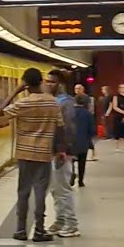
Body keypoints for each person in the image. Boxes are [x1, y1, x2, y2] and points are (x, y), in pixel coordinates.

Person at [0, 68, 63, 242]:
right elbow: (60, 126)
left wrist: (15, 92)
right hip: (44, 153)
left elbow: (0, 113)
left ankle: (20, 230)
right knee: (41, 192)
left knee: (23, 192)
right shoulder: (53, 103)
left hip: (24, 152)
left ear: (26, 84)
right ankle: (40, 230)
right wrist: (60, 150)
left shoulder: (23, 103)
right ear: (41, 81)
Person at [45, 69, 79, 236]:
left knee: (63, 188)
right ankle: (60, 220)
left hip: (61, 152)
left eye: (52, 82)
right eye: (47, 81)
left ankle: (72, 224)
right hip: (51, 150)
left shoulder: (67, 103)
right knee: (54, 189)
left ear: (61, 84)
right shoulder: (53, 101)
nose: (48, 84)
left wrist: (63, 150)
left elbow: (69, 128)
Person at [70, 94, 97, 188]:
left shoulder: (70, 112)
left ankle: (71, 174)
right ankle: (81, 181)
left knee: (70, 160)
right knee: (82, 162)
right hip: (83, 141)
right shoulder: (88, 114)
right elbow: (92, 130)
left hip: (71, 141)